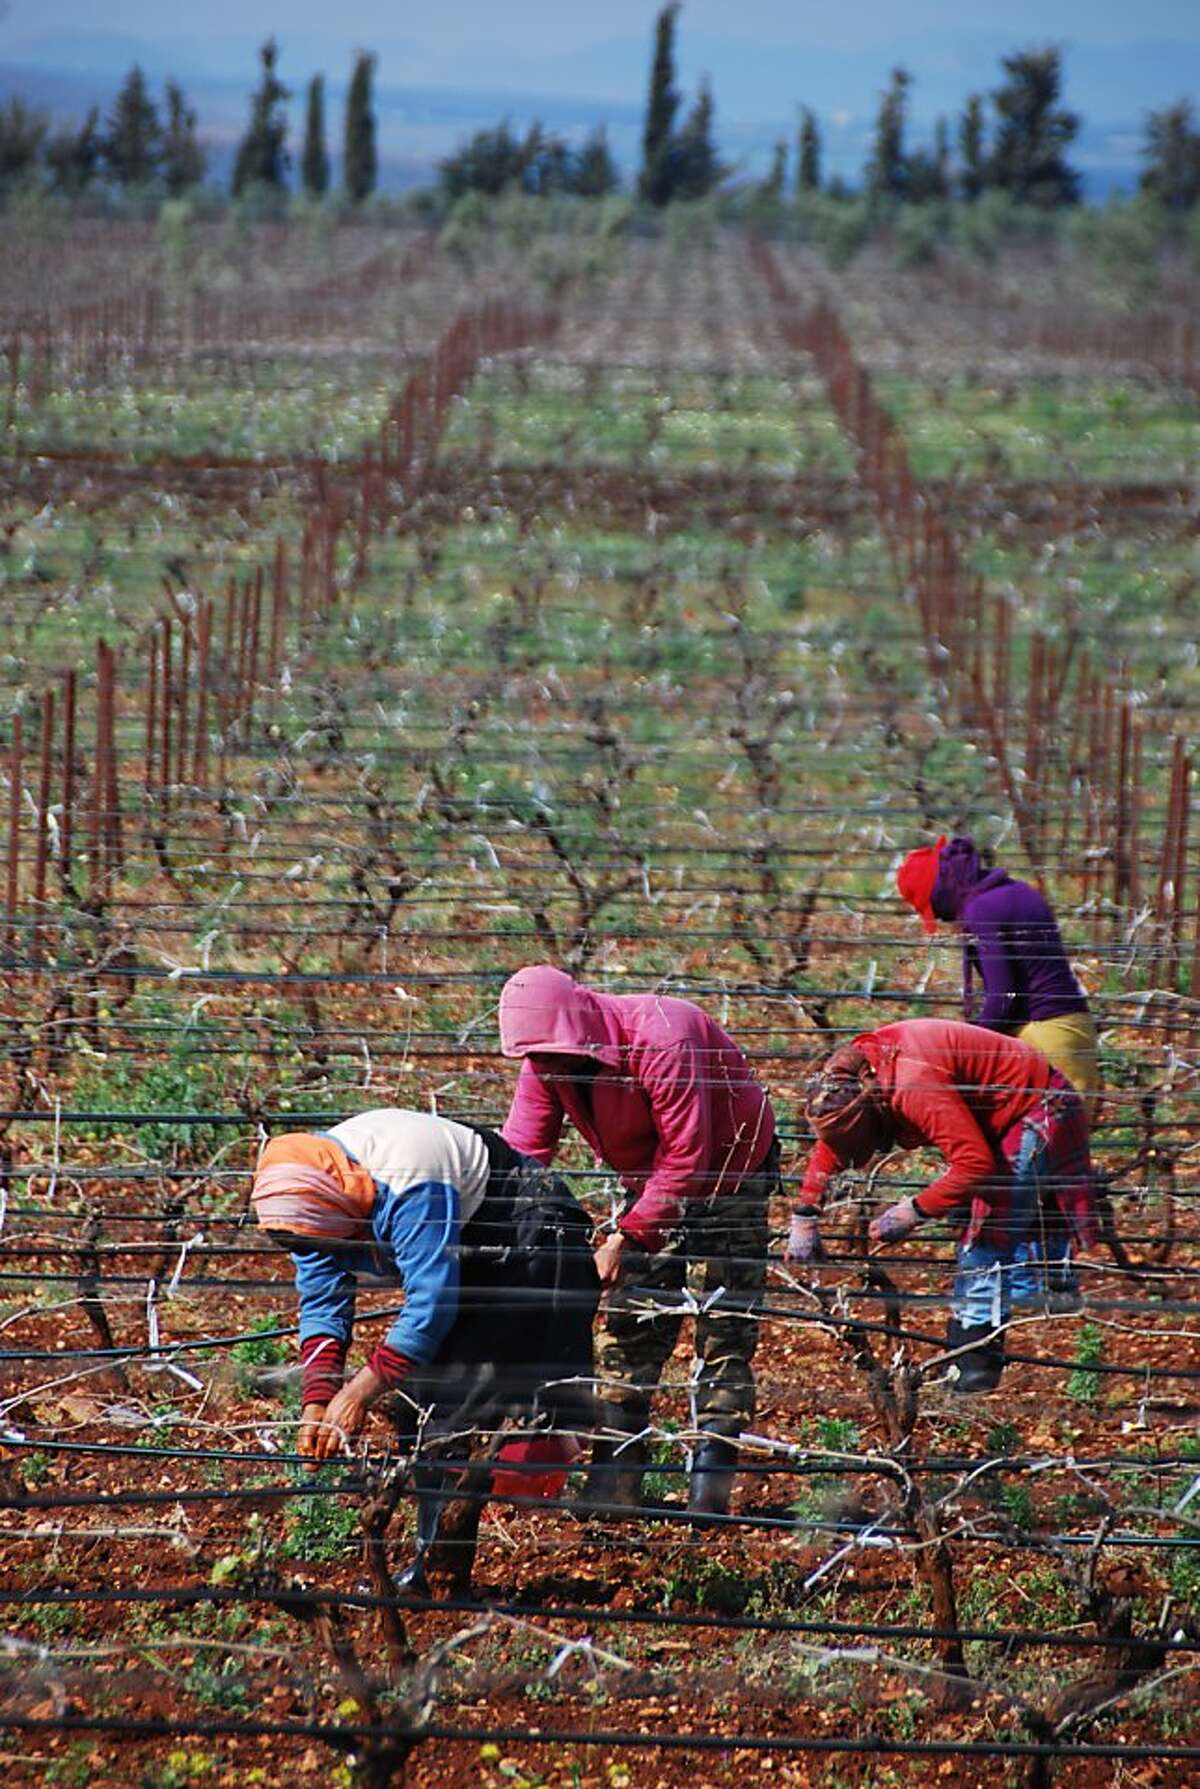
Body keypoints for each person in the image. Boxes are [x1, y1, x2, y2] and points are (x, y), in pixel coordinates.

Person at [250, 1107, 599, 1593]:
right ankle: (433, 1565)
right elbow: (323, 1304)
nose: (320, 1248)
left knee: (453, 1408)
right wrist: (316, 1401)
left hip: (530, 1235)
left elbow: (432, 1304)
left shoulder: (406, 1178)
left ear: (334, 1200)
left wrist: (355, 1394)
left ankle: (442, 1573)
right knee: (426, 1411)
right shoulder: (306, 1196)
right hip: (476, 1244)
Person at [498, 963, 779, 1517]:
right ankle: (614, 1489)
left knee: (723, 1326)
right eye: (536, 1060)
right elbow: (524, 1152)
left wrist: (623, 1239)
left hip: (731, 1173)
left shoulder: (661, 1039)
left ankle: (709, 1496)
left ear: (576, 1030)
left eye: (550, 1055)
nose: (544, 1067)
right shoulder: (547, 1058)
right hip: (648, 1176)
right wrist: (503, 1231)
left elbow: (688, 1159)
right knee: (629, 1326)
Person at [784, 1019, 1098, 1392]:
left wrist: (914, 1210)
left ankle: (976, 1371)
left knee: (986, 1236)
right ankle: (982, 1342)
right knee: (987, 1224)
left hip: (1036, 1104)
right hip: (998, 1112)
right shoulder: (846, 1080)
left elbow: (974, 1164)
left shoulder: (913, 1085)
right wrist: (805, 1212)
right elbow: (832, 1139)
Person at [896, 834, 1101, 1115]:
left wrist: (964, 1046)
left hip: (1047, 1036)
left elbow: (1003, 996)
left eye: (936, 909)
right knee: (1059, 1148)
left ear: (941, 889)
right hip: (1071, 1027)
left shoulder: (983, 909)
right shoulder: (1016, 890)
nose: (943, 918)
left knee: (1051, 1146)